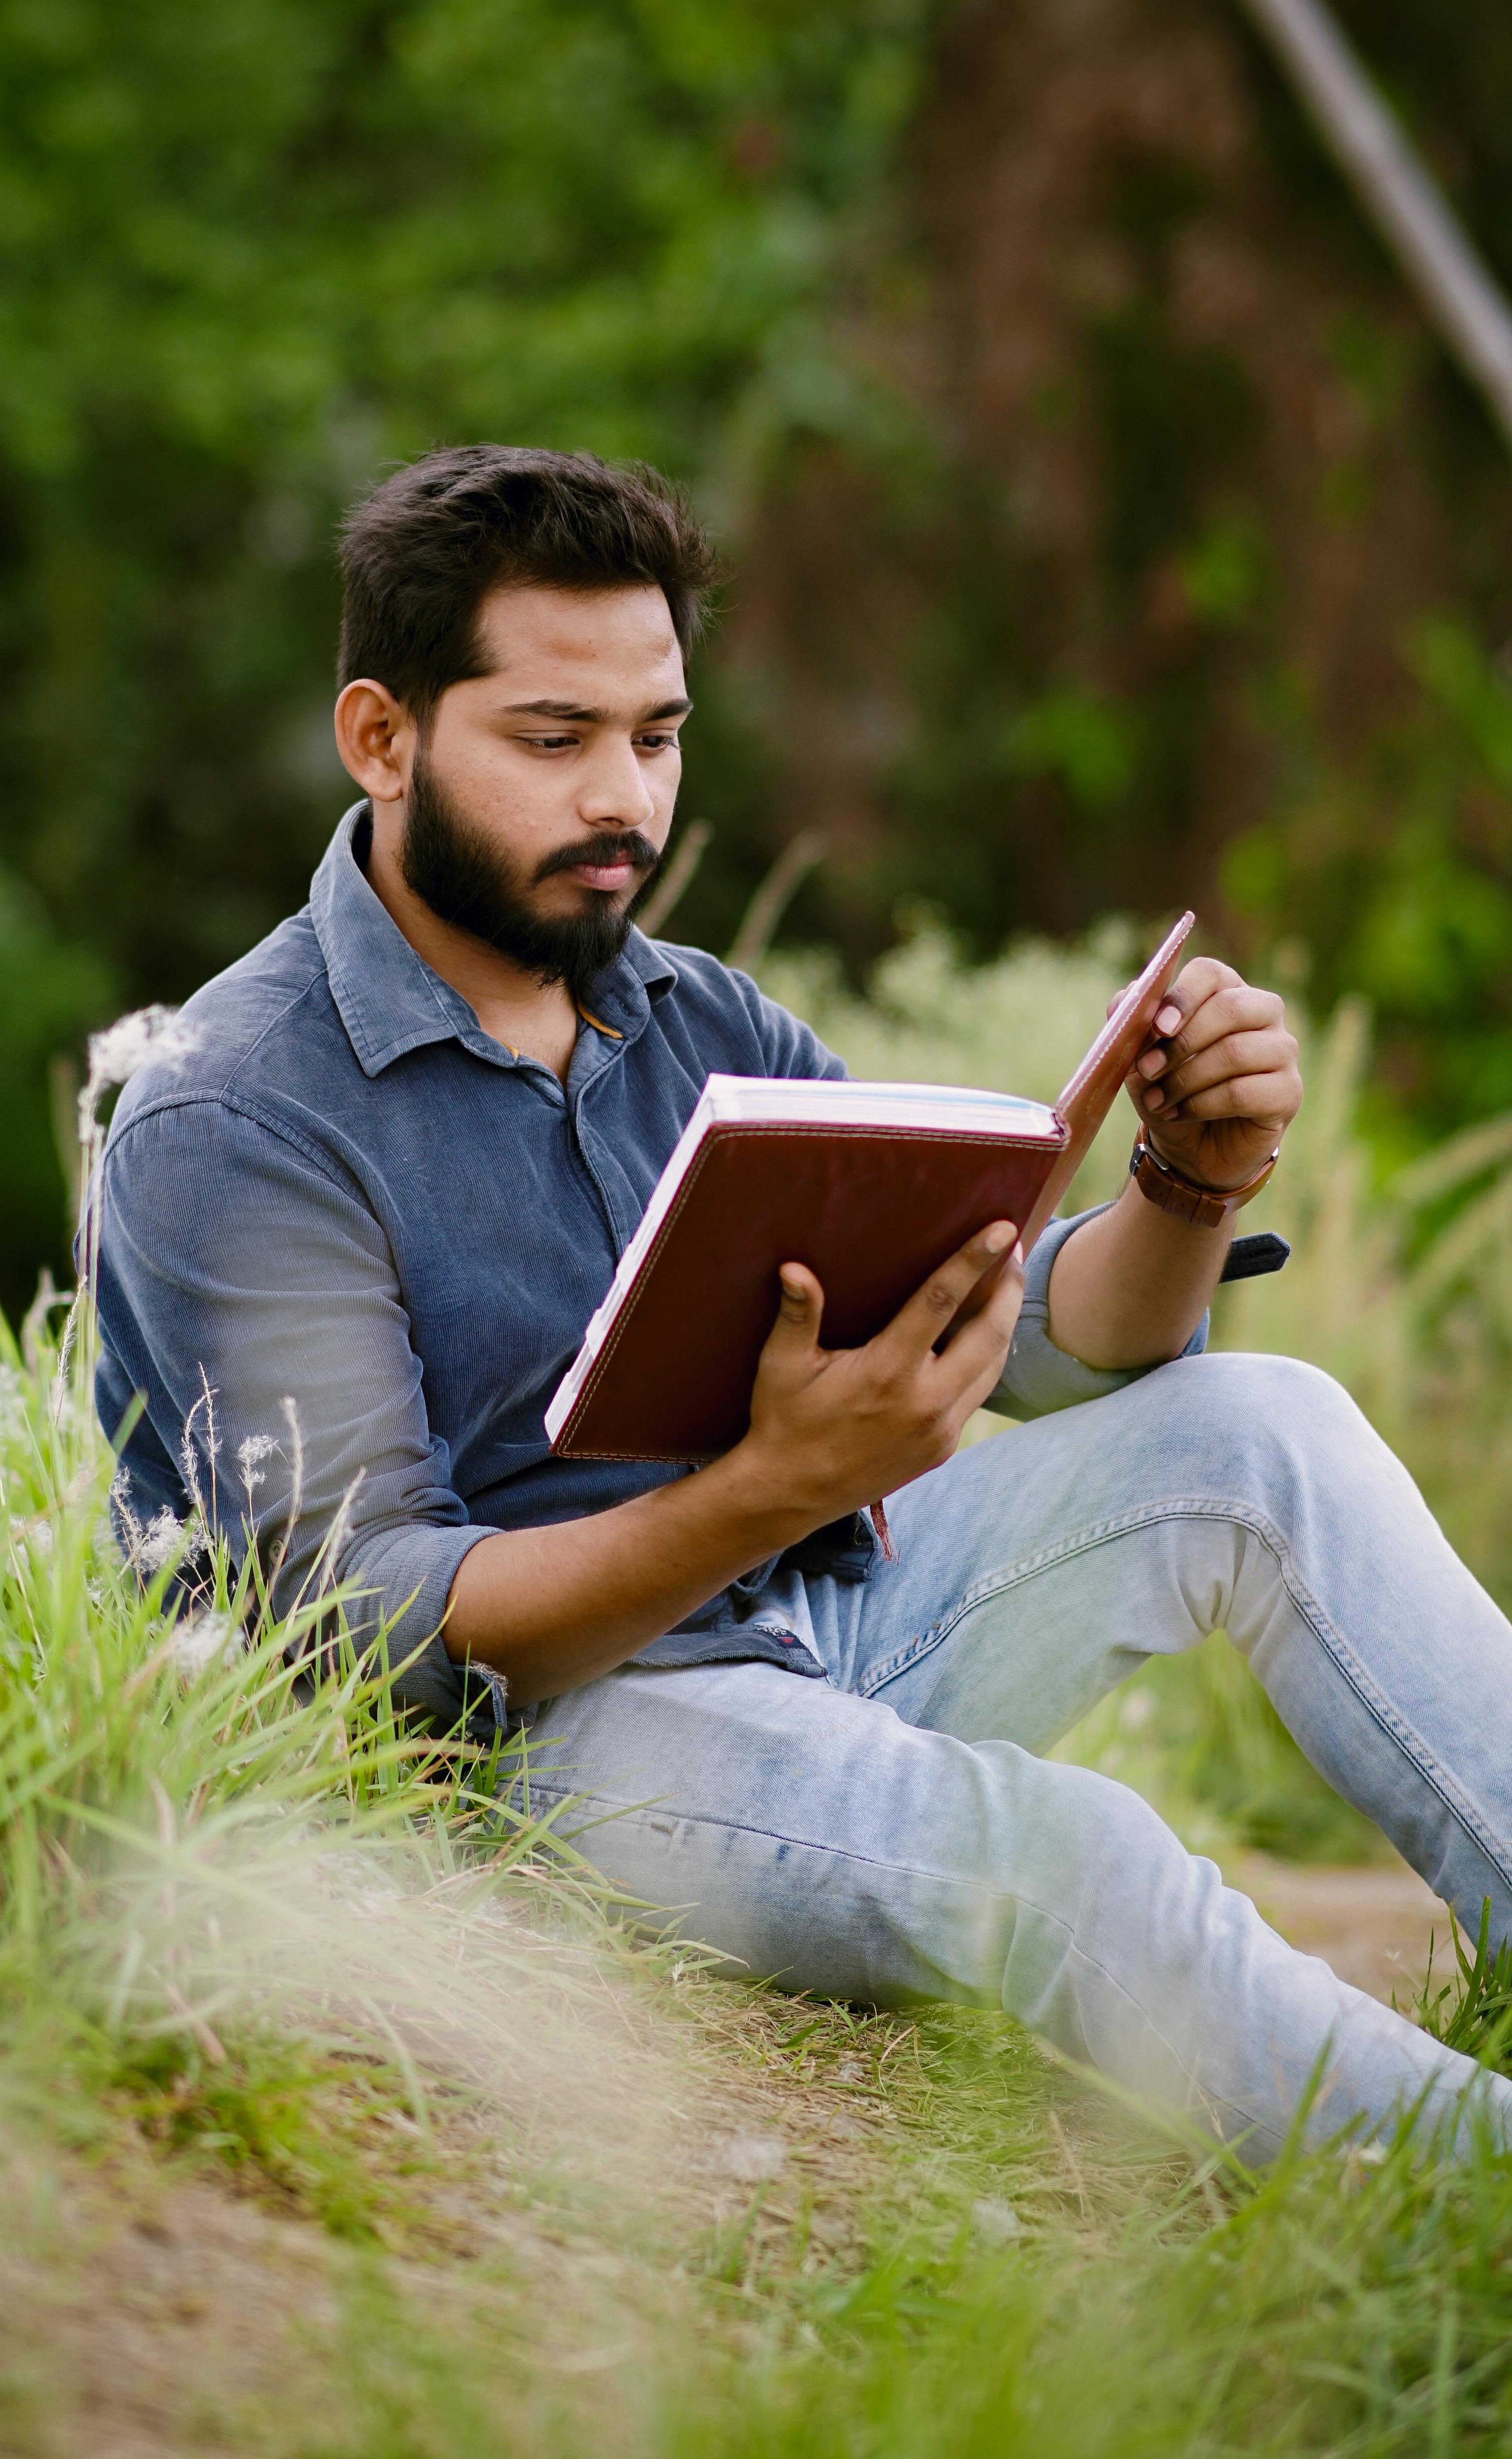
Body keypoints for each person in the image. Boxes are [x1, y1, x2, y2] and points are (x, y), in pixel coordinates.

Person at [93, 442, 1512, 2161]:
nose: (623, 797)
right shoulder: (238, 1111)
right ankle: (1467, 2181)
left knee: (1265, 1426)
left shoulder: (699, 1020)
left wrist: (1193, 1179)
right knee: (1077, 1853)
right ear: (383, 737)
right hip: (544, 1756)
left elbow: (1054, 1341)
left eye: (658, 735)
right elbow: (383, 1632)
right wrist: (774, 1485)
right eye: (555, 738)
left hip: (824, 1620)